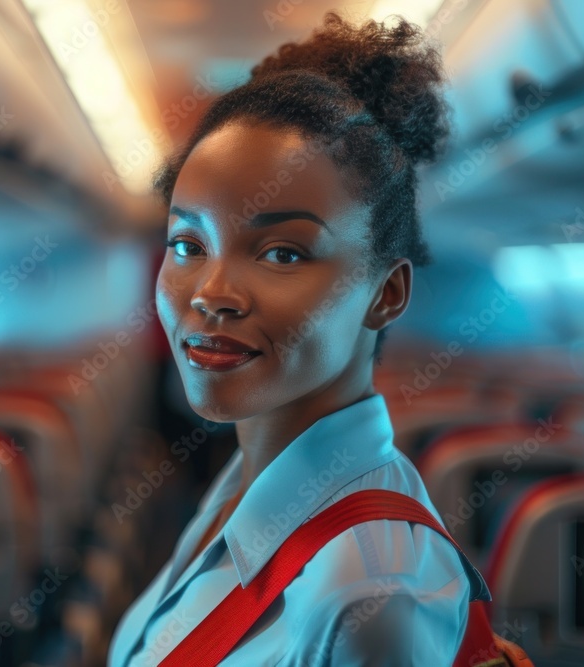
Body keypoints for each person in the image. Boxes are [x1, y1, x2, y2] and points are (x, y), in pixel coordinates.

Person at [108, 11, 488, 666]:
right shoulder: (247, 480)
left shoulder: (367, 598)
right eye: (187, 244)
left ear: (386, 292)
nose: (211, 292)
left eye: (282, 253)